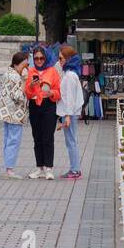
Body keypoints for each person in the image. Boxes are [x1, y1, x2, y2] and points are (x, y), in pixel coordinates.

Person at [25, 45, 61, 179]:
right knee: (37, 137)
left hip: (48, 105)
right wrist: (31, 86)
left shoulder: (52, 71)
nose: (39, 61)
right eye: (36, 58)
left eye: (41, 58)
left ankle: (49, 168)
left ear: (45, 58)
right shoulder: (31, 71)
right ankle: (39, 166)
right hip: (34, 104)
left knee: (48, 137)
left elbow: (58, 92)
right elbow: (27, 93)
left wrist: (51, 92)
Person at [56, 45, 84, 180]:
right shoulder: (69, 73)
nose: (59, 60)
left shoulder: (70, 76)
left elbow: (70, 98)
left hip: (69, 113)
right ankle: (74, 169)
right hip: (68, 112)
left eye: (61, 58)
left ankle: (75, 169)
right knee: (71, 141)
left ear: (67, 58)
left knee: (71, 141)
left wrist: (67, 115)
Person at [0, 52, 29, 177]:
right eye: (24, 64)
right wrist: (25, 81)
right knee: (14, 140)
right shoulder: (17, 77)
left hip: (6, 112)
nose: (26, 67)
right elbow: (18, 96)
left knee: (8, 140)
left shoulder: (7, 73)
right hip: (15, 113)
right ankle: (9, 169)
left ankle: (8, 167)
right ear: (17, 64)